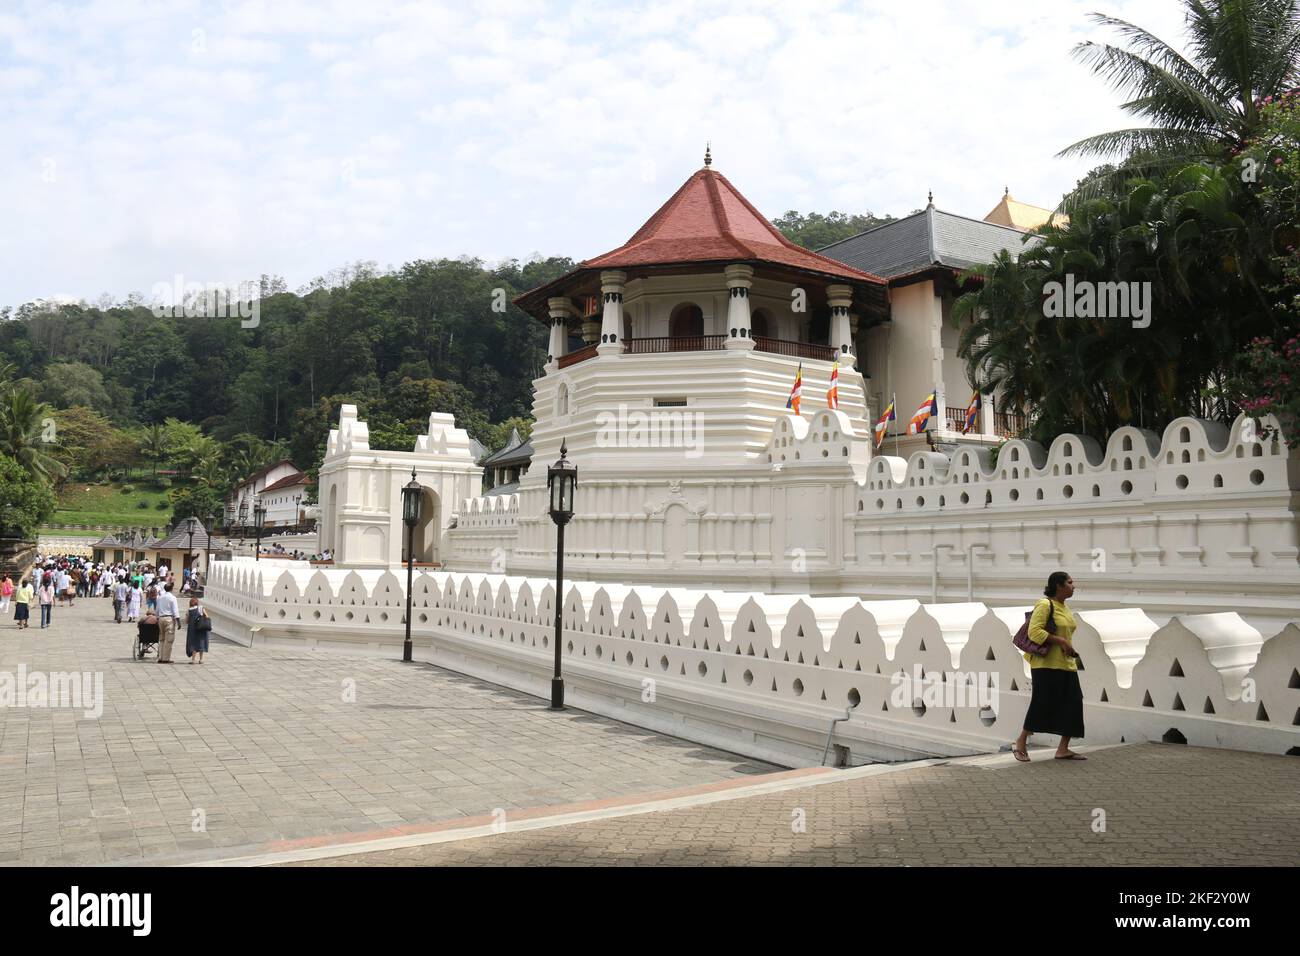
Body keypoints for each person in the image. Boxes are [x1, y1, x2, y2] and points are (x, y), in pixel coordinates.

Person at [1012, 571, 1086, 762]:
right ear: (1059, 586)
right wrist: (1060, 641)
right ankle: (1020, 742)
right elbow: (1034, 632)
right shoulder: (1045, 605)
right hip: (1045, 665)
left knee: (1074, 703)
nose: (1073, 585)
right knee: (1042, 703)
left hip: (1067, 664)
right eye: (1070, 582)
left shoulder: (1065, 607)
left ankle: (1063, 749)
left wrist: (1066, 646)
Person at [156, 581, 179, 664]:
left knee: (161, 639)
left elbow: (157, 610)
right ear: (171, 589)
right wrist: (178, 622)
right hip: (169, 619)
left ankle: (160, 657)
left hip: (161, 618)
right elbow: (175, 611)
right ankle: (166, 658)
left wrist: (157, 618)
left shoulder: (160, 597)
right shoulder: (172, 598)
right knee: (169, 639)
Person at [185, 596, 210, 663]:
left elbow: (186, 621)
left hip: (192, 629)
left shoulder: (189, 610)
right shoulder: (201, 608)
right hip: (201, 628)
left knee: (193, 643)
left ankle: (193, 660)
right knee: (201, 642)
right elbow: (207, 616)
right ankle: (201, 659)